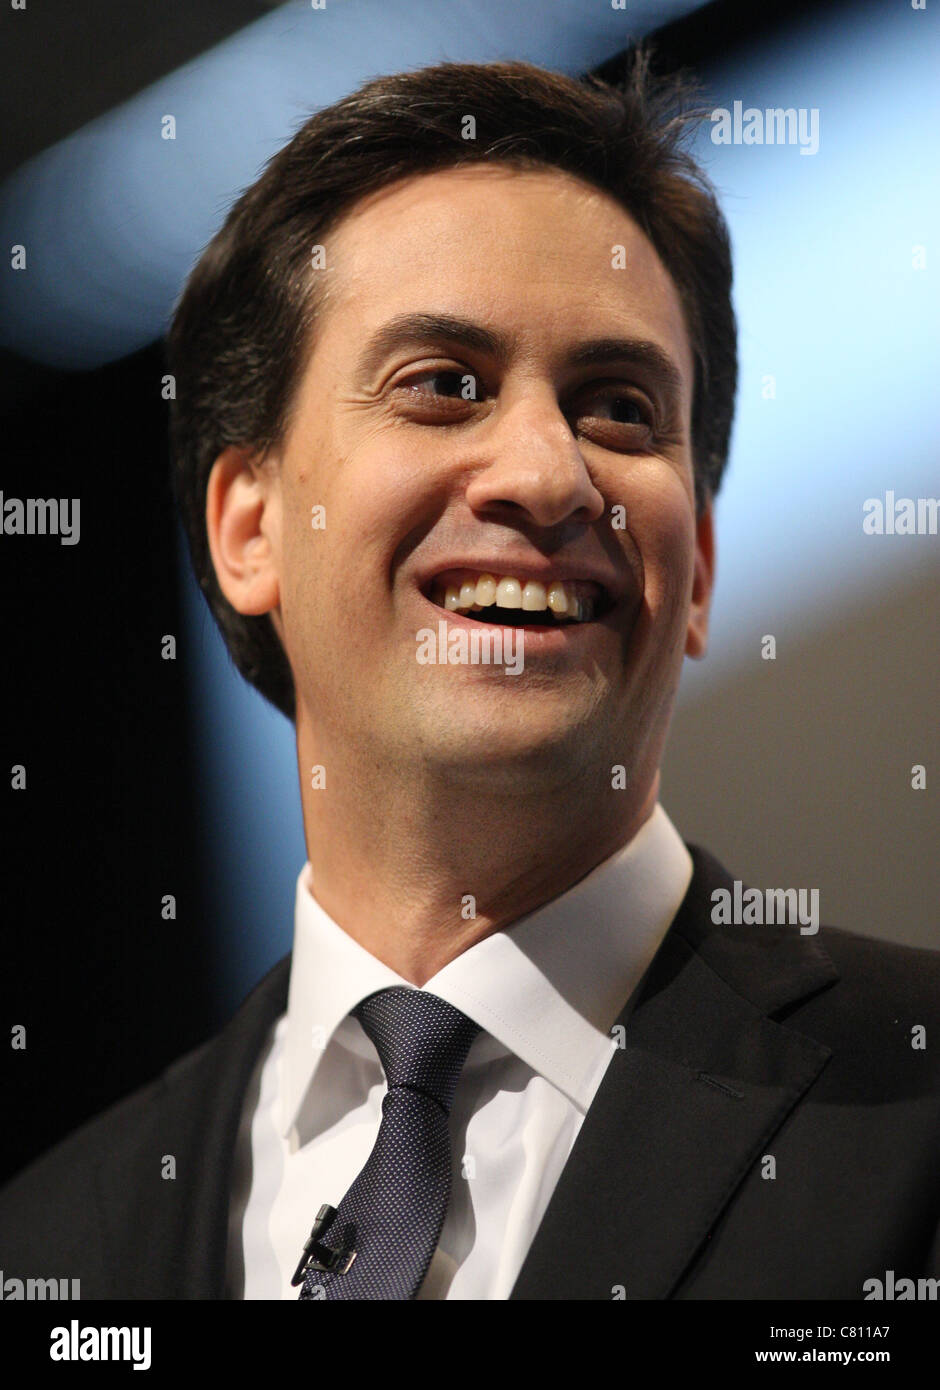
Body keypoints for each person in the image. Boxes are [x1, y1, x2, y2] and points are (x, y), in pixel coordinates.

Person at [1, 50, 937, 1302]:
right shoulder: (50, 1249)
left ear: (699, 567)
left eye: (618, 407)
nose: (549, 475)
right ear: (248, 527)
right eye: (443, 386)